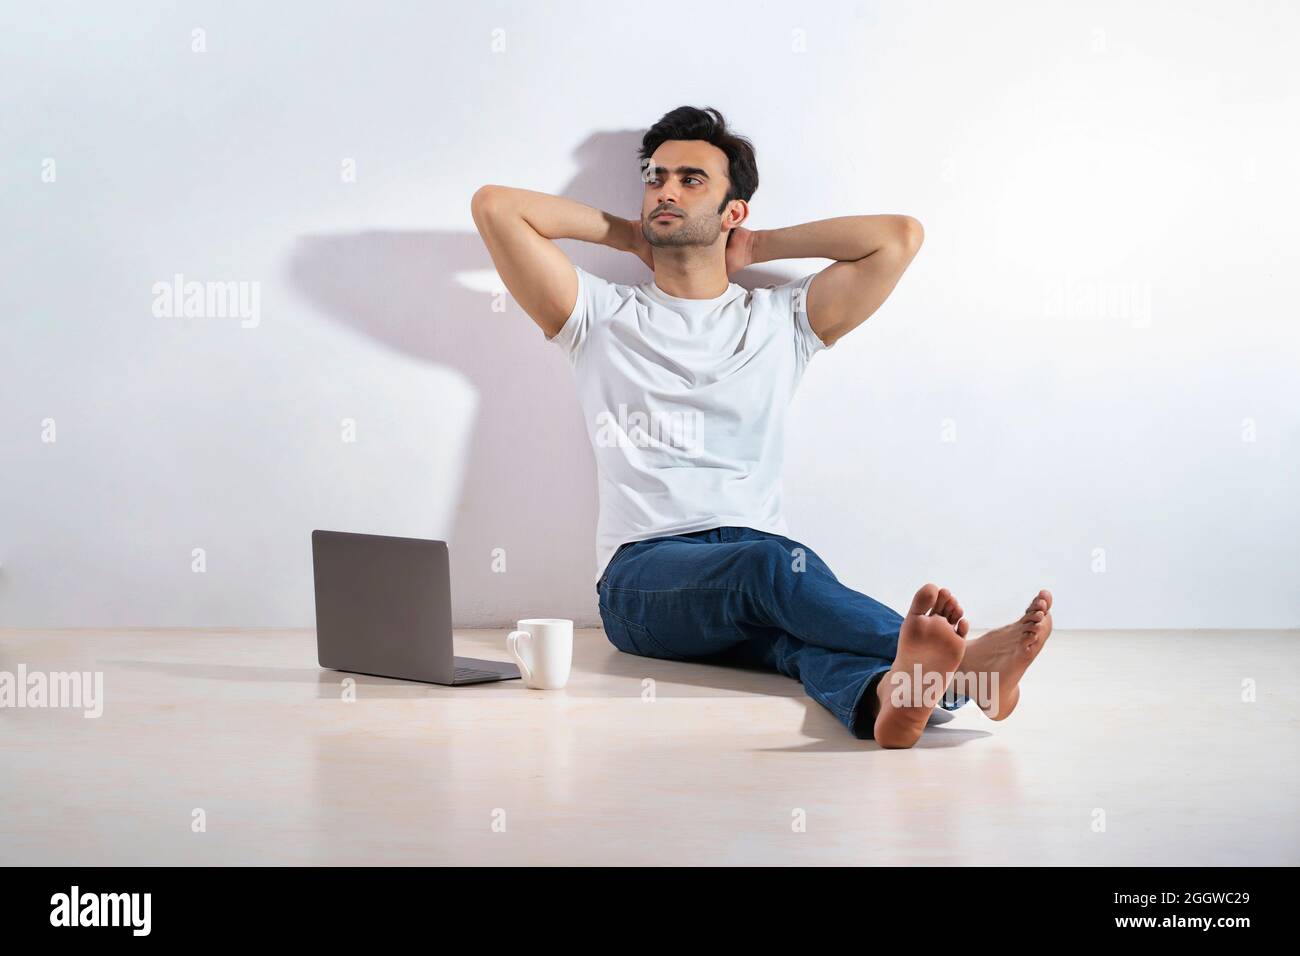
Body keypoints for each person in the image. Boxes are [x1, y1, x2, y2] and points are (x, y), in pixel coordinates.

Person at [470, 105, 1053, 747]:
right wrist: (629, 234)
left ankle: (891, 699)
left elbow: (900, 236)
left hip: (767, 578)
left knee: (792, 637)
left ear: (733, 211)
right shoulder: (597, 314)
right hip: (643, 580)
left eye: (692, 179)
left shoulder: (781, 322)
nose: (666, 190)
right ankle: (972, 671)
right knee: (774, 567)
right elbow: (496, 206)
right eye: (656, 177)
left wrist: (760, 247)